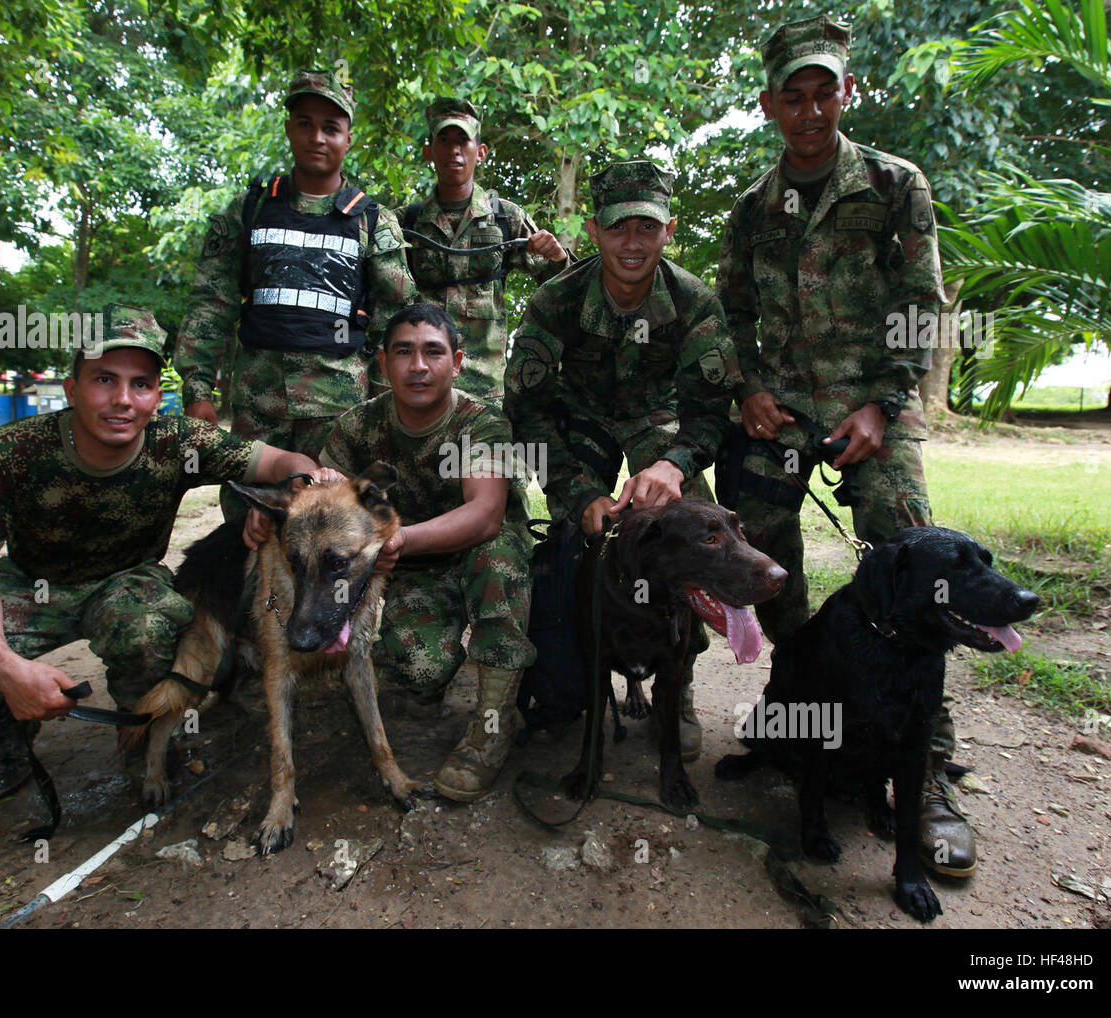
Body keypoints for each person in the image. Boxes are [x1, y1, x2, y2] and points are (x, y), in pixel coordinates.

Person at [0, 305, 328, 802]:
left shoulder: (178, 442)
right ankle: (7, 725)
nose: (123, 401)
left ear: (158, 394)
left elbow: (287, 461)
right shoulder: (9, 453)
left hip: (126, 584)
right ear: (71, 389)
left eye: (141, 384)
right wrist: (6, 669)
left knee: (151, 626)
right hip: (29, 586)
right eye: (104, 380)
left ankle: (142, 736)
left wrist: (289, 489)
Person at [714, 16, 970, 876]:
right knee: (752, 543)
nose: (812, 109)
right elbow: (729, 318)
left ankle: (929, 772)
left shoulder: (897, 185)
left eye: (825, 91)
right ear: (769, 105)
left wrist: (883, 404)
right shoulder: (752, 209)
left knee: (913, 555)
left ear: (846, 93)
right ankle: (808, 714)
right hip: (783, 414)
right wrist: (748, 389)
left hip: (873, 410)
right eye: (795, 95)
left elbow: (924, 306)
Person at [504, 159, 741, 759]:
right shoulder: (555, 301)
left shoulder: (695, 302)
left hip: (657, 417)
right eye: (617, 228)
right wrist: (580, 493)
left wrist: (677, 464)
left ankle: (676, 682)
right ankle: (568, 668)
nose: (632, 244)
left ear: (668, 230)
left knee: (694, 527)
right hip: (579, 415)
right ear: (592, 230)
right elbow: (527, 412)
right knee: (572, 534)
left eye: (647, 227)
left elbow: (712, 411)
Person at [174, 68, 417, 518]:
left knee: (334, 529)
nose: (317, 137)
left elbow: (394, 321)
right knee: (250, 525)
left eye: (331, 127)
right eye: (304, 123)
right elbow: (211, 304)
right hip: (256, 408)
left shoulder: (372, 221)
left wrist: (387, 407)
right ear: (289, 129)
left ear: (348, 138)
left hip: (340, 411)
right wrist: (197, 389)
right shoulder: (248, 211)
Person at [319, 303, 536, 802]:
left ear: (457, 362)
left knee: (499, 554)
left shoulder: (480, 422)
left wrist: (395, 539)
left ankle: (492, 723)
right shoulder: (356, 429)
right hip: (409, 571)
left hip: (478, 558)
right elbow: (324, 506)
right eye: (404, 352)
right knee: (419, 674)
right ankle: (429, 676)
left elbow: (485, 514)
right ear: (382, 364)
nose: (419, 366)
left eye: (433, 352)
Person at [395, 97, 570, 400]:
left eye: (464, 141)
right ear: (428, 152)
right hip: (421, 384)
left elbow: (561, 285)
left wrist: (558, 257)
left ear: (481, 152)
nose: (454, 150)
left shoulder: (505, 217)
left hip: (484, 389)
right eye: (444, 140)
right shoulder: (405, 222)